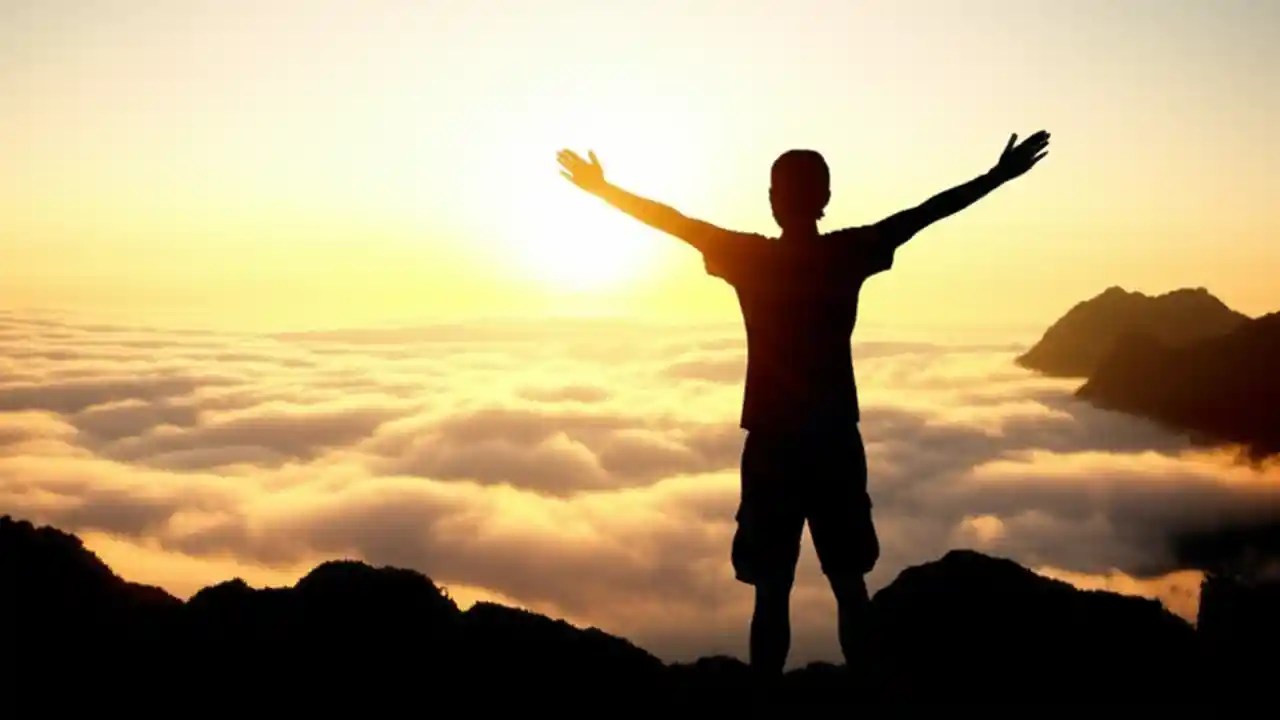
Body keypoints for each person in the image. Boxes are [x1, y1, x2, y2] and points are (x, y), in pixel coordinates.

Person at [556, 131, 1051, 680]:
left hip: (771, 443)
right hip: (835, 439)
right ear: (826, 199)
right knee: (848, 583)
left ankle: (766, 698)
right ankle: (865, 691)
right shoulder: (847, 252)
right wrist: (996, 176)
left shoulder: (748, 257)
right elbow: (927, 212)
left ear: (773, 200)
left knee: (771, 590)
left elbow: (672, 221)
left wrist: (603, 191)